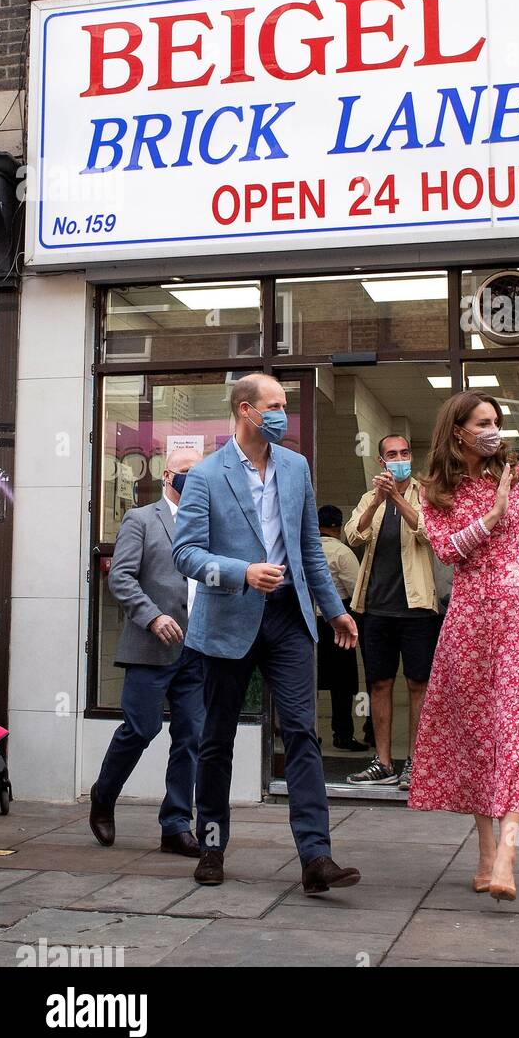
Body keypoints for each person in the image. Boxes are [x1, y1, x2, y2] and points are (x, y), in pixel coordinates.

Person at [172, 373, 361, 895]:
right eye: (275, 405)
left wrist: (334, 609)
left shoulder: (296, 467)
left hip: (289, 620)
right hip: (230, 618)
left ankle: (316, 857)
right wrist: (241, 572)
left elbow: (308, 551)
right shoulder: (207, 475)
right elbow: (185, 554)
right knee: (217, 740)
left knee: (302, 733)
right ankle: (211, 846)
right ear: (245, 410)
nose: (283, 414)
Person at [409, 393, 519, 902]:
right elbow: (447, 549)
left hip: (516, 614)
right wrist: (491, 516)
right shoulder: (435, 490)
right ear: (458, 431)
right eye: (483, 422)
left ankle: (508, 852)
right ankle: (483, 850)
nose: (493, 430)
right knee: (476, 733)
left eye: (496, 422)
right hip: (469, 620)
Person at [89, 449, 205, 856]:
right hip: (151, 646)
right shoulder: (141, 519)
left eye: (200, 471)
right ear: (168, 475)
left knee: (190, 736)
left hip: (196, 648)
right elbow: (120, 578)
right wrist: (153, 617)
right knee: (140, 729)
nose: (195, 478)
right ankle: (103, 795)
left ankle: (175, 825)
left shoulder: (207, 522)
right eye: (188, 472)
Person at [343, 434, 439, 791]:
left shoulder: (426, 493)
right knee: (379, 683)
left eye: (404, 452)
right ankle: (383, 763)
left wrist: (398, 498)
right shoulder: (371, 497)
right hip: (377, 609)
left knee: (419, 684)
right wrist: (378, 501)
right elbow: (353, 535)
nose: (399, 458)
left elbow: (431, 535)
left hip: (417, 608)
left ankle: (417, 763)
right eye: (392, 454)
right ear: (381, 461)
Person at [316, 503, 367, 752]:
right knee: (343, 684)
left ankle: (311, 733)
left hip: (311, 625)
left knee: (310, 682)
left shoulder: (309, 550)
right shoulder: (343, 553)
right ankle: (343, 734)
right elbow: (357, 591)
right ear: (339, 526)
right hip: (337, 624)